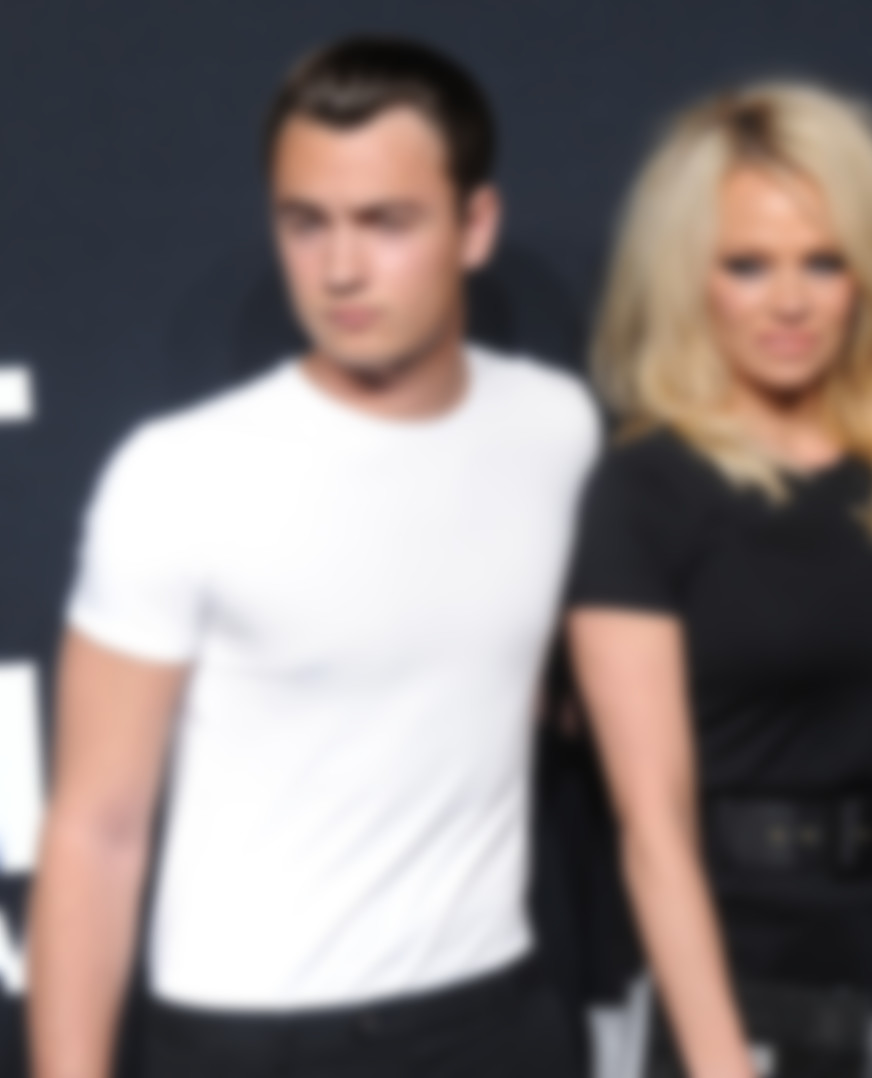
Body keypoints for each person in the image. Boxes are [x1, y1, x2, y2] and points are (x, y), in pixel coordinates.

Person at [28, 36, 596, 1078]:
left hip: (497, 1014)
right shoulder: (179, 474)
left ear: (475, 226)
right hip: (252, 1035)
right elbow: (96, 830)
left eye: (387, 222)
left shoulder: (556, 427)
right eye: (306, 223)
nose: (340, 270)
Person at [565, 83, 872, 1078]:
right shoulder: (646, 488)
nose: (790, 303)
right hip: (739, 958)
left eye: (824, 262)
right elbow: (653, 828)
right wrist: (719, 1061)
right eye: (747, 265)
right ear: (689, 280)